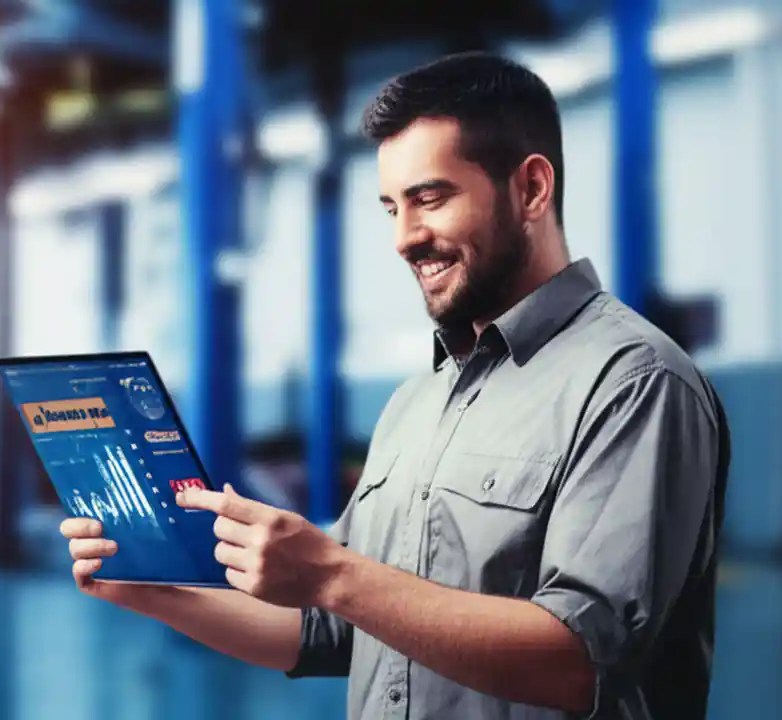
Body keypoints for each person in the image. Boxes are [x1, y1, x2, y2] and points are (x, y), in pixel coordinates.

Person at [60, 51, 729, 720]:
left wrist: (329, 572)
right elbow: (332, 628)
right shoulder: (417, 404)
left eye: (431, 198)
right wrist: (150, 590)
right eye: (391, 208)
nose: (406, 239)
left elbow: (580, 661)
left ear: (531, 189)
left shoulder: (634, 383)